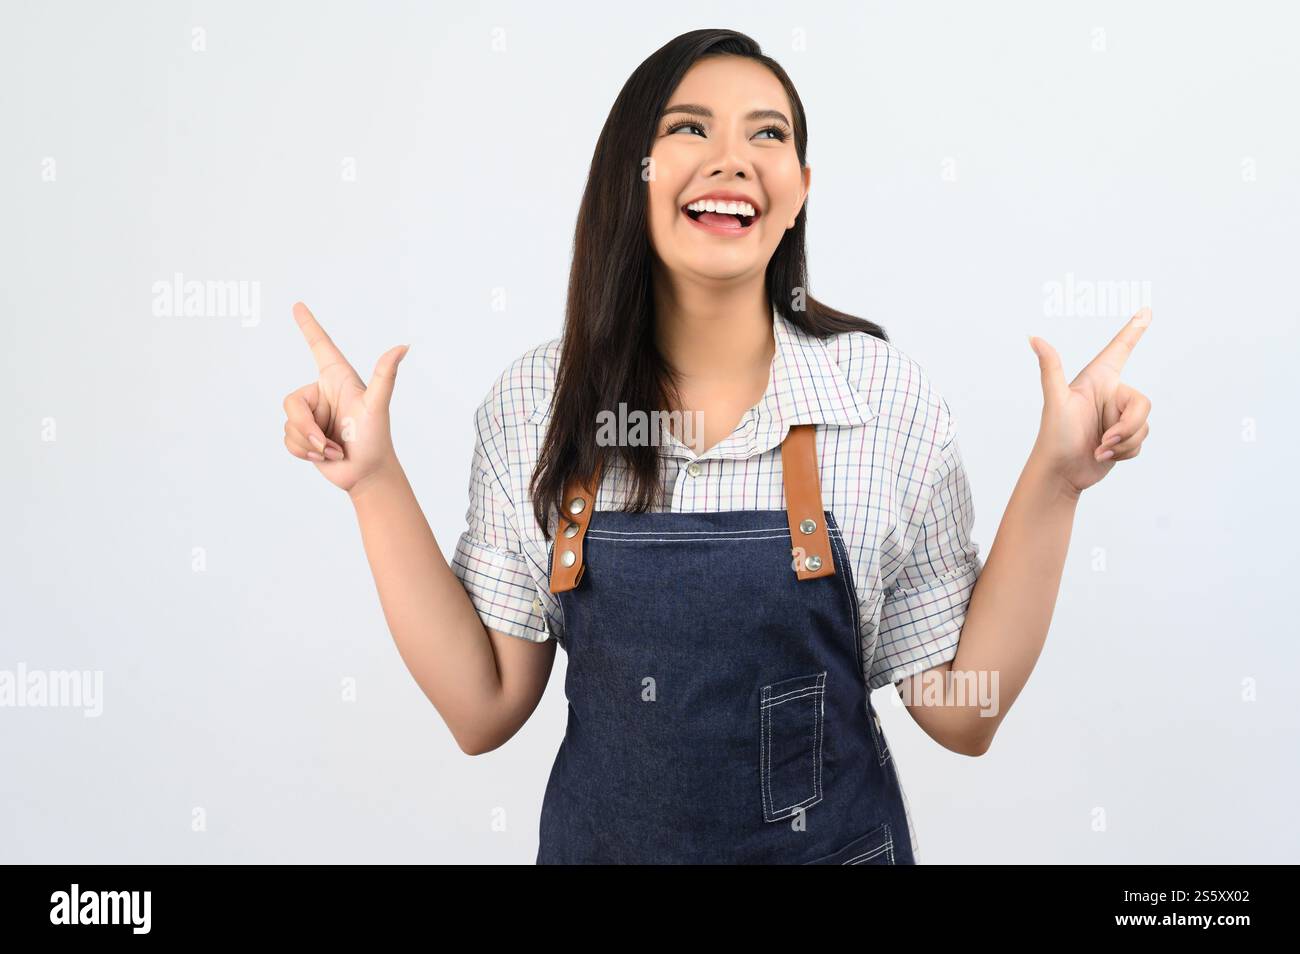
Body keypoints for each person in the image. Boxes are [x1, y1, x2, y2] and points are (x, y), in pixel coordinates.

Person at [280, 29, 1152, 864]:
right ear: (634, 171)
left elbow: (963, 715)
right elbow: (482, 708)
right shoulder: (536, 405)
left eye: (766, 134)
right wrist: (373, 480)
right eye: (690, 127)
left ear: (799, 188)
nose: (733, 158)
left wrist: (1059, 481)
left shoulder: (884, 399)